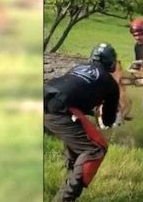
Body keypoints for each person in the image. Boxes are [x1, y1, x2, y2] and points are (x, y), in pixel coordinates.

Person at [44, 43, 120, 201]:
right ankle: (66, 198)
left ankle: (70, 179)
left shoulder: (79, 67)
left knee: (79, 140)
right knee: (95, 149)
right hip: (60, 108)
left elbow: (73, 91)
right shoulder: (110, 83)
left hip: (46, 97)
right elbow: (107, 120)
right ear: (111, 62)